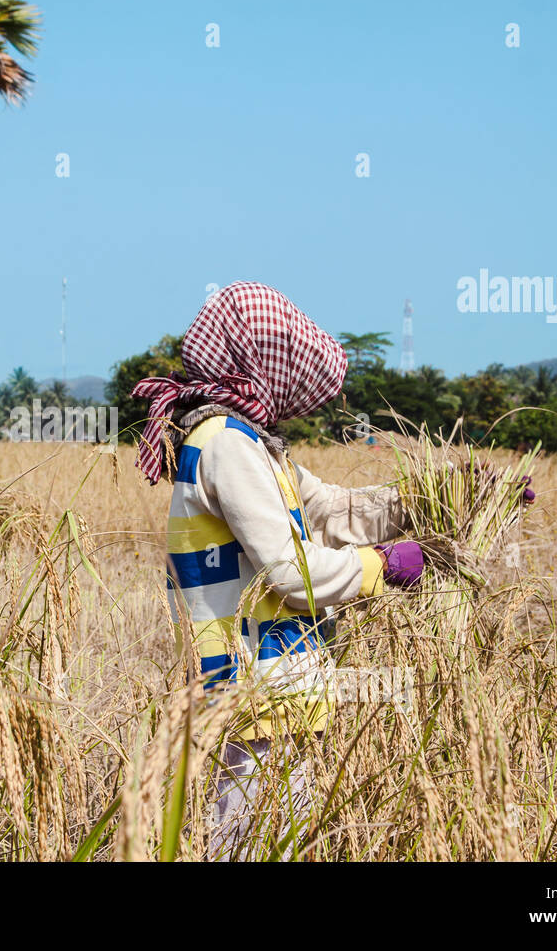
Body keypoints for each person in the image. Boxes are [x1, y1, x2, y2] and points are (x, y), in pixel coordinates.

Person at [131, 281, 425, 860]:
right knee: (250, 841)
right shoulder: (225, 445)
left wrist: (437, 498)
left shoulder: (253, 442)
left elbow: (328, 508)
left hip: (276, 681)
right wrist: (381, 567)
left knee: (276, 836)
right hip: (249, 683)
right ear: (260, 364)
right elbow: (288, 572)